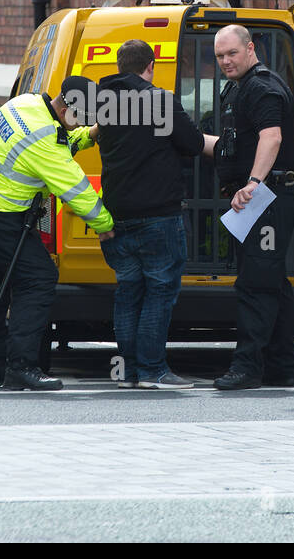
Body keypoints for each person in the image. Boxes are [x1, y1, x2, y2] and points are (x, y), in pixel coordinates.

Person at [0, 75, 115, 391]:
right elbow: (78, 192)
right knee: (38, 279)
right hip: (0, 217)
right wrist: (108, 227)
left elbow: (49, 141)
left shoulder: (23, 104)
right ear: (70, 109)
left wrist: (90, 136)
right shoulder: (46, 143)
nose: (80, 123)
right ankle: (22, 366)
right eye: (82, 119)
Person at [93, 39, 217, 389]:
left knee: (128, 292)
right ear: (150, 67)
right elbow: (192, 144)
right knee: (160, 293)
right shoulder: (158, 99)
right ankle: (153, 371)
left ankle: (131, 371)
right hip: (158, 216)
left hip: (116, 215)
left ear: (119, 67)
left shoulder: (104, 102)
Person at [210, 24, 294, 391]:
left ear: (250, 49)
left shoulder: (261, 87)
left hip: (267, 202)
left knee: (255, 285)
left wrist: (253, 183)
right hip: (263, 199)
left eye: (232, 53)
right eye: (219, 56)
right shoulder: (242, 88)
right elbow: (235, 143)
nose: (226, 61)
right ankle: (281, 366)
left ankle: (247, 367)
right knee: (273, 284)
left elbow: (272, 137)